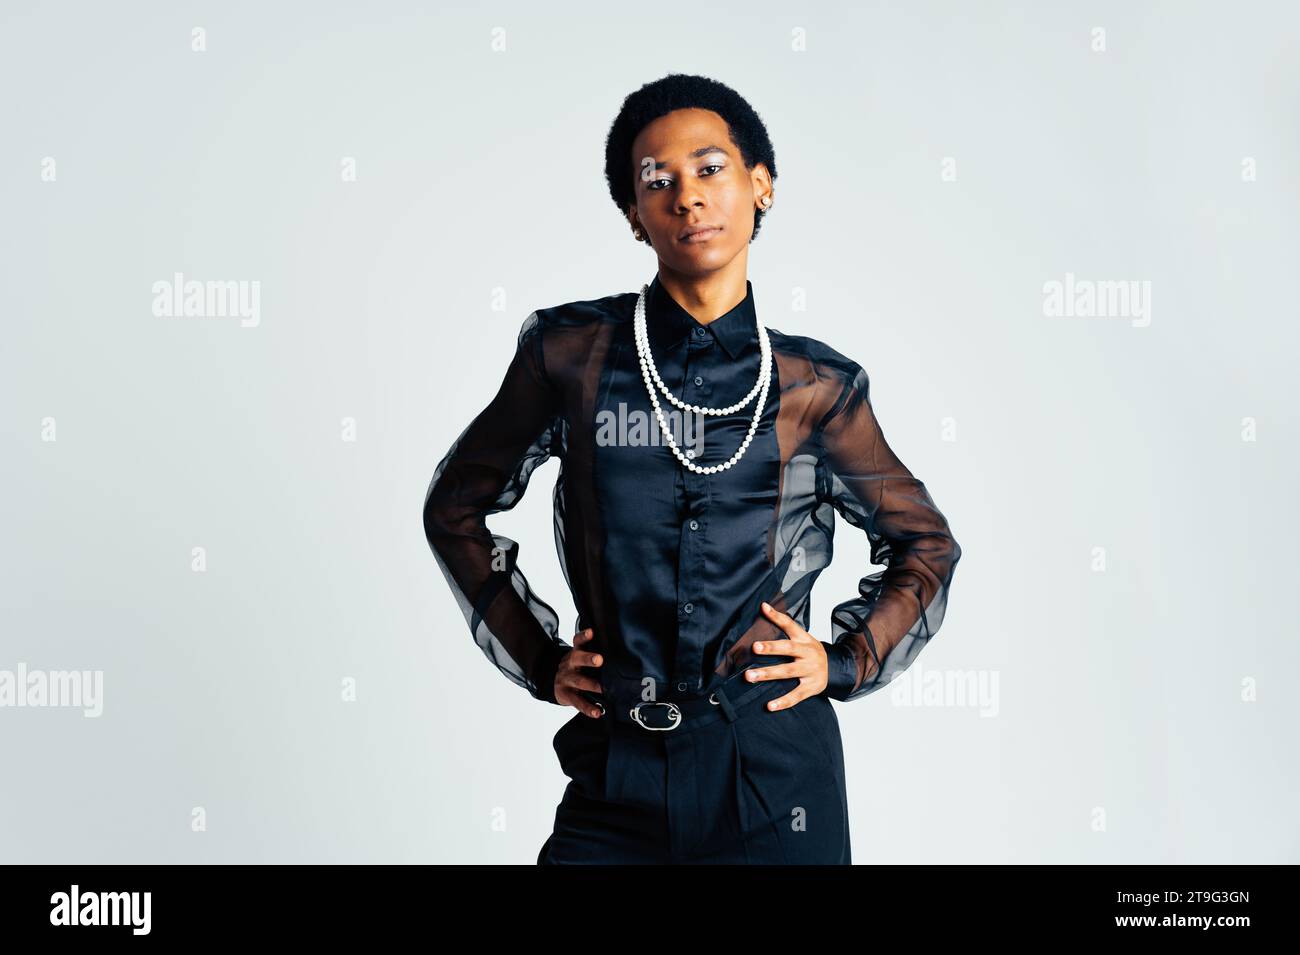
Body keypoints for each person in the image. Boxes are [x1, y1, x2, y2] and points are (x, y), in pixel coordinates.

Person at [422, 73, 961, 864]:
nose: (687, 196)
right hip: (617, 777)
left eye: (710, 169)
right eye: (657, 181)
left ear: (761, 186)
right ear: (635, 218)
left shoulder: (815, 388)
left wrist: (842, 660)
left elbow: (926, 544)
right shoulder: (570, 356)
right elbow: (456, 507)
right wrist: (540, 660)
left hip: (774, 783)